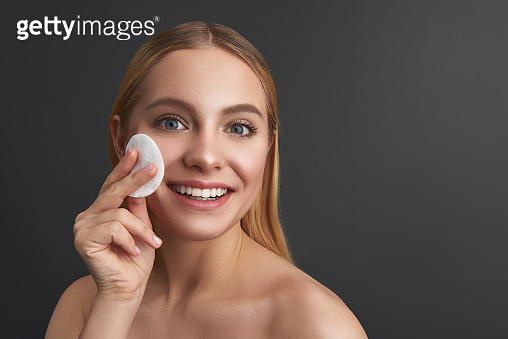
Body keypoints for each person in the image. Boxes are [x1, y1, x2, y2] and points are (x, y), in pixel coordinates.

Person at [45, 21, 367, 338]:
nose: (206, 157)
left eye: (239, 128)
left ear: (268, 147)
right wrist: (115, 304)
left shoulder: (317, 326)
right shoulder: (85, 306)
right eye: (172, 123)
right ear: (122, 138)